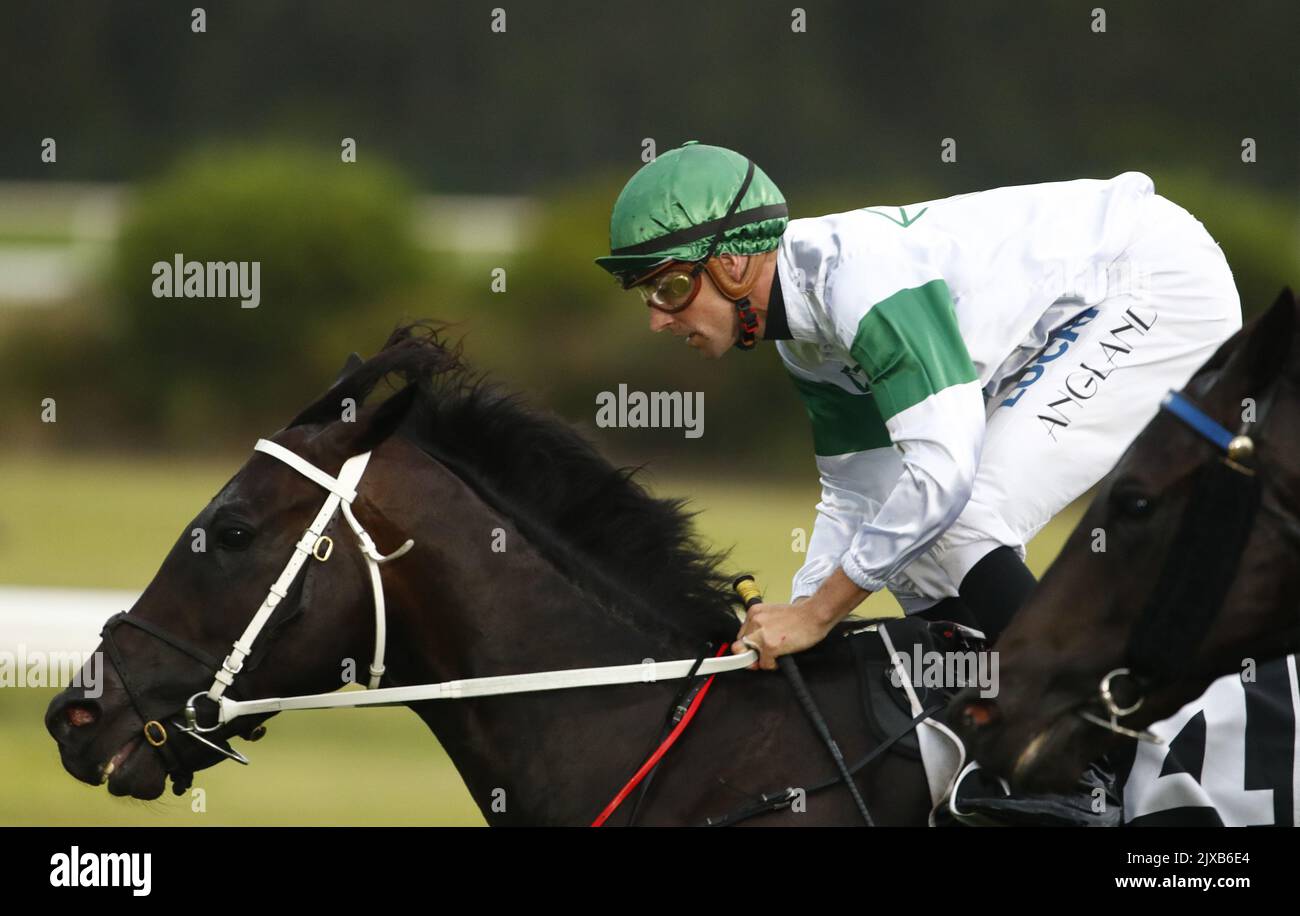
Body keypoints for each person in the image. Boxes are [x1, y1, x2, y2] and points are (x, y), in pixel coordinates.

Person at [594, 140, 1242, 669]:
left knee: (963, 513)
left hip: (1154, 281)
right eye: (645, 295)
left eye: (669, 287)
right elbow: (858, 493)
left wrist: (817, 615)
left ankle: (1087, 745)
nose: (657, 319)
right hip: (1089, 299)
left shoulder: (860, 286)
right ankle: (975, 717)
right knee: (909, 554)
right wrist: (796, 619)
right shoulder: (803, 339)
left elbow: (942, 476)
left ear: (734, 264)